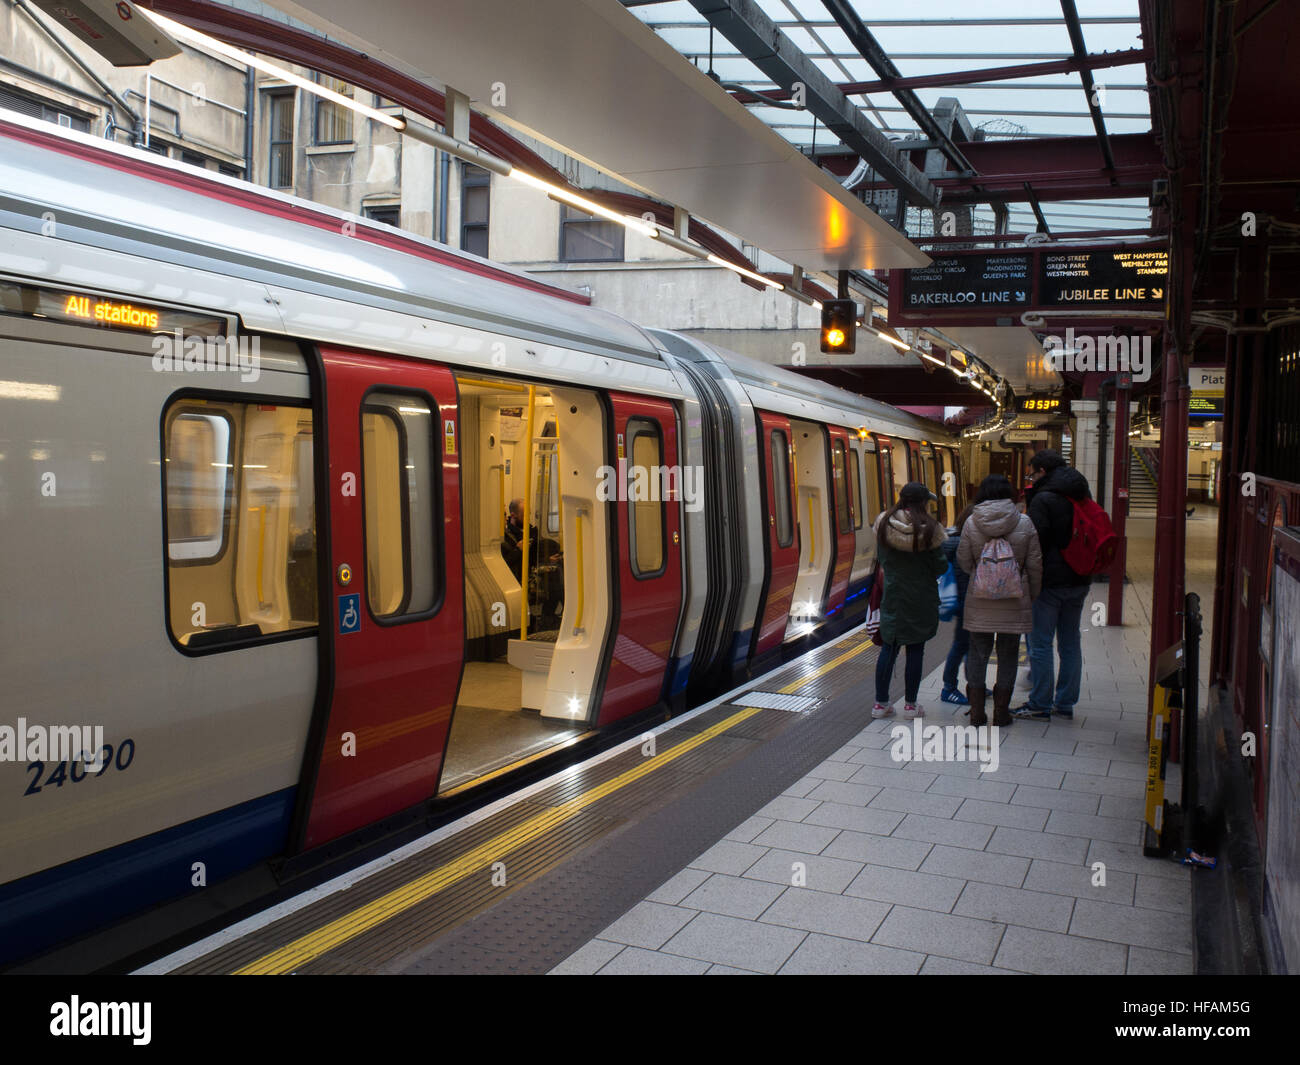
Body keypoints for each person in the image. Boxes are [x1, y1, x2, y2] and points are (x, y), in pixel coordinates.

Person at [1013, 449, 1092, 721]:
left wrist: (1029, 580)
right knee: (1070, 643)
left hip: (1049, 583)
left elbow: (1035, 544)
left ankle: (1040, 703)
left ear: (1042, 471)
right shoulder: (1081, 491)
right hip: (1079, 578)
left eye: (1032, 473)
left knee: (1041, 644)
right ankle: (1066, 703)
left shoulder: (1043, 498)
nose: (1030, 478)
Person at [957, 475, 1043, 727]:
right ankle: (1001, 712)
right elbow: (1035, 564)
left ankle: (976, 712)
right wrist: (1032, 592)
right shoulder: (1025, 522)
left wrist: (979, 574)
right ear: (1012, 495)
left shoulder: (972, 522)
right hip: (1015, 599)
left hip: (980, 597)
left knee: (977, 652)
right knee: (1008, 654)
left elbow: (963, 560)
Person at [871, 482, 949, 720]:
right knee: (916, 650)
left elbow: (883, 560)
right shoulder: (931, 529)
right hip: (921, 597)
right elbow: (940, 566)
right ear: (923, 503)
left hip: (893, 595)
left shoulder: (885, 524)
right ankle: (910, 706)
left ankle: (880, 704)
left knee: (889, 647)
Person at [938, 506, 974, 706]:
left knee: (965, 645)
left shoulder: (950, 541)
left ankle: (973, 684)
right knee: (962, 645)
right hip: (968, 602)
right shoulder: (966, 544)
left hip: (959, 601)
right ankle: (948, 687)